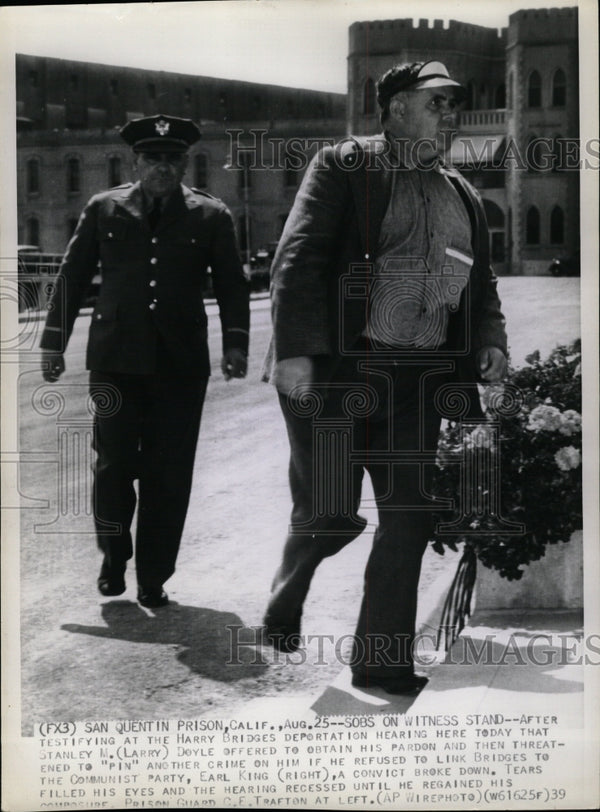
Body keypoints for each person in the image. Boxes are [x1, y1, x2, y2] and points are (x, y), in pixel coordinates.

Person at [262, 62, 508, 693]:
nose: (450, 115)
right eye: (437, 103)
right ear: (397, 107)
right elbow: (299, 257)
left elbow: (480, 287)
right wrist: (295, 350)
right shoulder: (346, 166)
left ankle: (382, 660)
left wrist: (489, 342)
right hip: (343, 370)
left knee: (410, 514)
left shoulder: (463, 195)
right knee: (333, 512)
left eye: (455, 104)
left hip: (418, 380)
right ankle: (289, 589)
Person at [40, 114, 249, 608]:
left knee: (168, 472)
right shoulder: (103, 209)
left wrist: (235, 343)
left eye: (172, 159)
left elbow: (232, 285)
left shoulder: (210, 216)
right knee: (113, 467)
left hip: (180, 365)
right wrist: (54, 341)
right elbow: (72, 277)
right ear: (136, 161)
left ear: (183, 164)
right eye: (153, 158)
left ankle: (154, 574)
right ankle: (115, 557)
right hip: (115, 360)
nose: (162, 167)